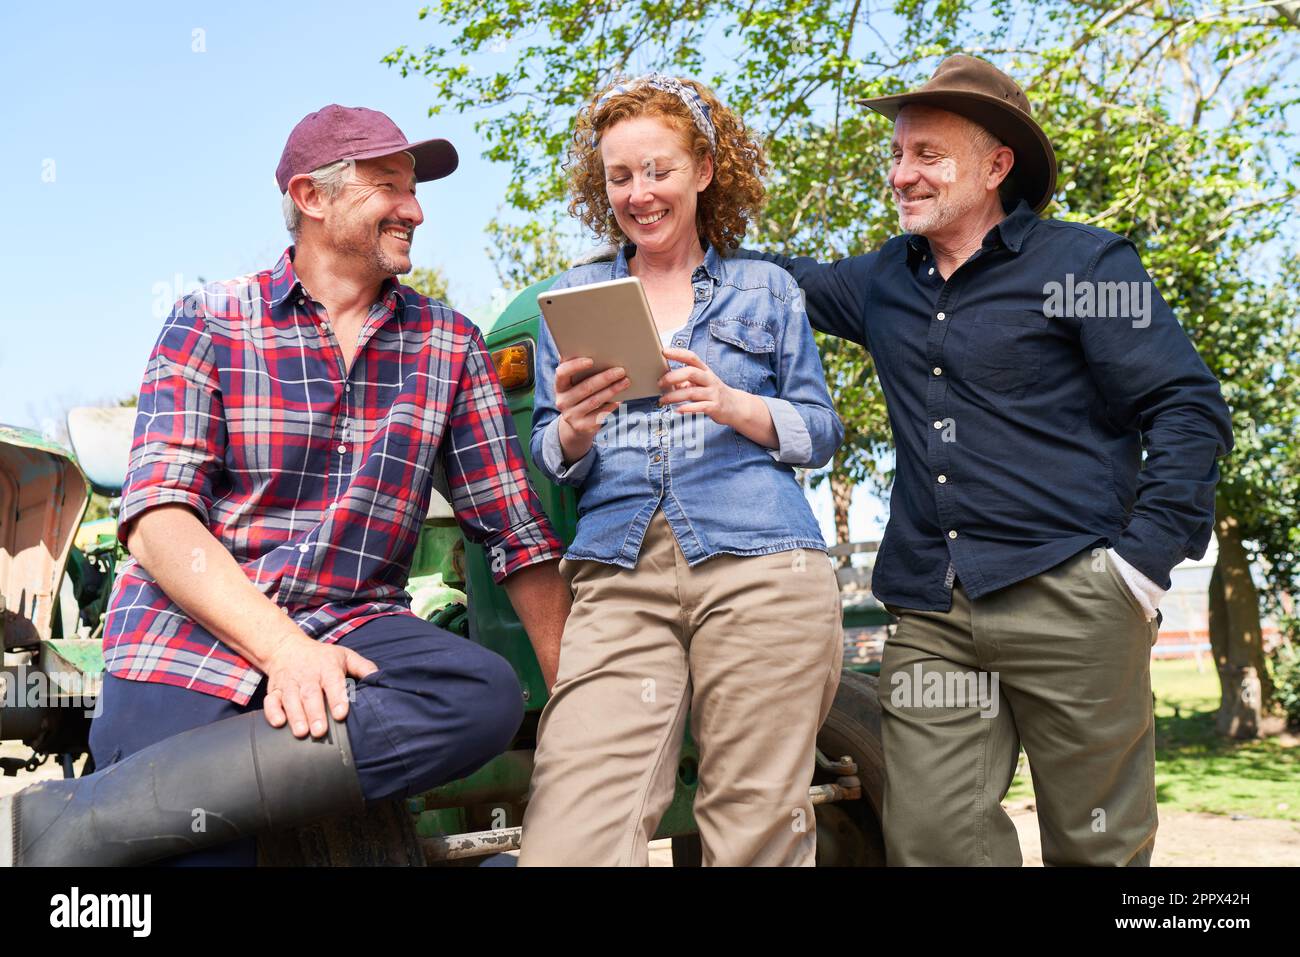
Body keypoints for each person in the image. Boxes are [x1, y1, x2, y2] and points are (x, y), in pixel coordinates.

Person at [1, 104, 571, 867]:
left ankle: (98, 813)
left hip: (355, 625)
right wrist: (285, 653)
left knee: (484, 695)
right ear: (312, 197)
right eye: (391, 186)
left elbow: (516, 532)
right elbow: (161, 521)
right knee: (199, 853)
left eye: (415, 189)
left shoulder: (449, 344)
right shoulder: (208, 320)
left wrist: (575, 698)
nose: (416, 208)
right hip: (188, 632)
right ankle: (119, 812)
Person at [739, 55, 1234, 865]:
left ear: (997, 163)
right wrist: (675, 216)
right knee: (935, 841)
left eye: (927, 155)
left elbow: (1185, 407)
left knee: (1095, 847)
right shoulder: (880, 284)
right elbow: (773, 282)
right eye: (896, 155)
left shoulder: (1082, 268)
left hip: (1074, 596)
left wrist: (1141, 567)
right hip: (936, 611)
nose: (901, 174)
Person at [516, 74, 846, 867]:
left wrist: (733, 403)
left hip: (763, 561)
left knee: (754, 823)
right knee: (569, 830)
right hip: (618, 573)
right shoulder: (571, 297)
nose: (640, 193)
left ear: (703, 169)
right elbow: (547, 455)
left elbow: (822, 430)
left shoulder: (768, 289)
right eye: (619, 177)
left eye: (658, 170)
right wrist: (576, 426)